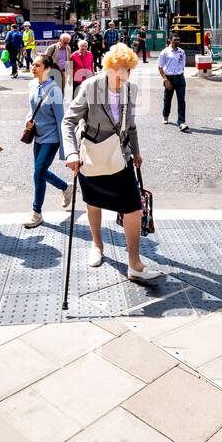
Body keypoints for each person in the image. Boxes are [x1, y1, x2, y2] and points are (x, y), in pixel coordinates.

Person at [62, 43, 160, 280]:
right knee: (93, 203)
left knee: (133, 207)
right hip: (93, 154)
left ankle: (134, 264)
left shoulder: (131, 89)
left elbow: (131, 125)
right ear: (107, 68)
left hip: (120, 156)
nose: (120, 75)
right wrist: (71, 153)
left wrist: (136, 152)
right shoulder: (91, 86)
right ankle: (97, 245)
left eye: (125, 70)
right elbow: (69, 122)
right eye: (115, 70)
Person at [24, 53, 73, 228]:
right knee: (40, 172)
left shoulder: (54, 90)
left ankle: (36, 213)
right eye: (33, 64)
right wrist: (28, 121)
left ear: (47, 69)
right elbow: (31, 109)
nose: (33, 67)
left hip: (51, 138)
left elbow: (62, 120)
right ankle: (66, 188)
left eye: (37, 65)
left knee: (38, 173)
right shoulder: (32, 84)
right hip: (37, 135)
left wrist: (65, 150)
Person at [158, 33, 189, 131]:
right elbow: (160, 67)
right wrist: (165, 80)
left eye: (178, 39)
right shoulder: (164, 52)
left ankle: (181, 122)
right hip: (169, 78)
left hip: (180, 78)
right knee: (167, 99)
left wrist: (180, 74)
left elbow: (182, 65)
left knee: (181, 100)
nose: (177, 41)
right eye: (175, 39)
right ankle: (165, 115)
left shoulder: (182, 52)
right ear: (170, 40)